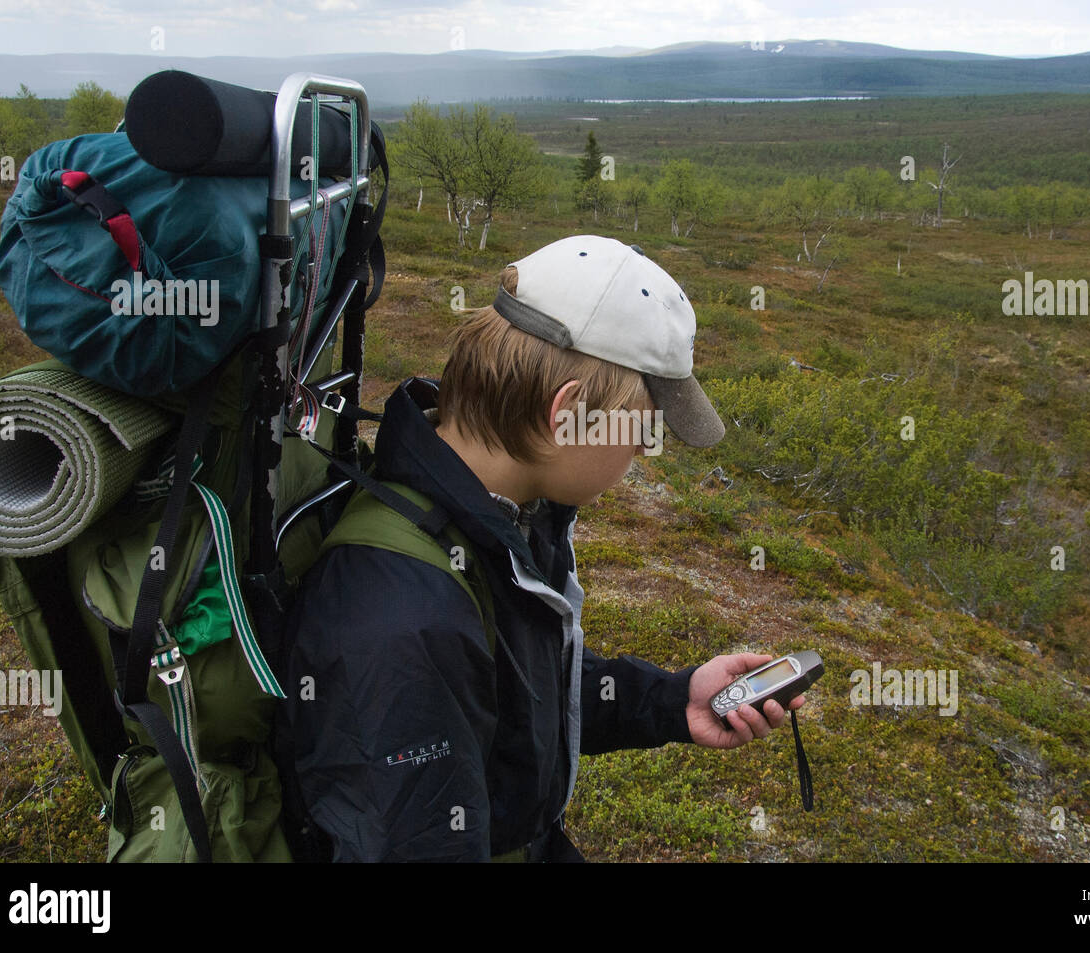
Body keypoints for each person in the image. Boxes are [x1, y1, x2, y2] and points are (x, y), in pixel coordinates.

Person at [282, 235, 804, 861]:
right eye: (644, 428)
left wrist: (671, 699)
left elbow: (502, 699)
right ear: (567, 415)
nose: (643, 451)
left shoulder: (492, 514)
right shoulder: (404, 620)